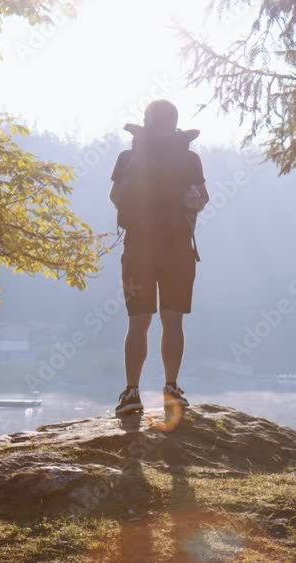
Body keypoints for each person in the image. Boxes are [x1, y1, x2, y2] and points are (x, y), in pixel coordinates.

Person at [109, 100, 209, 415]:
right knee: (172, 319)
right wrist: (189, 202)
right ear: (175, 124)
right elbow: (202, 198)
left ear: (145, 122)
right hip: (178, 248)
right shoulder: (189, 158)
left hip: (138, 247)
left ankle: (132, 393)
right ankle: (171, 388)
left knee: (138, 321)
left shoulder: (129, 157)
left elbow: (115, 197)